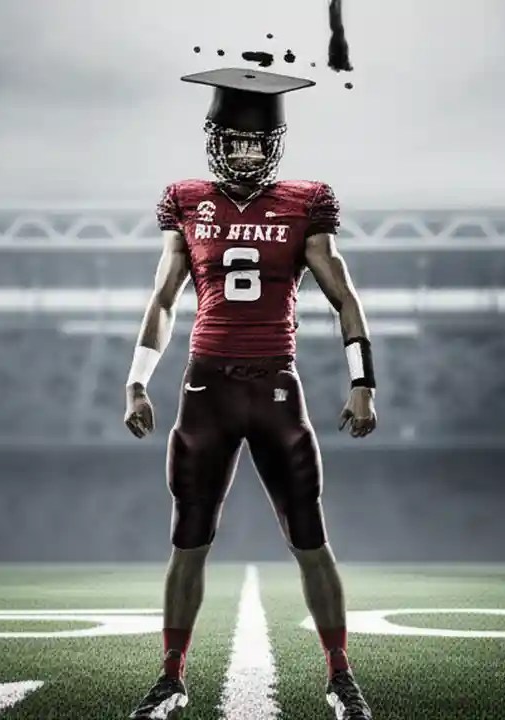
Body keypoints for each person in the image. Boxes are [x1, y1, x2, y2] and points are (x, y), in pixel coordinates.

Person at [123, 68, 378, 720]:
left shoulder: (305, 201)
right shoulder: (187, 200)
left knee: (310, 537)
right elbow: (164, 297)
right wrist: (137, 379)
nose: (244, 154)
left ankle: (341, 673)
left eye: (255, 143)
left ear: (275, 144)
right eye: (234, 142)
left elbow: (344, 295)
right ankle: (171, 676)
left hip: (275, 385)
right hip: (205, 386)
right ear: (214, 140)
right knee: (188, 540)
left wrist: (363, 381)